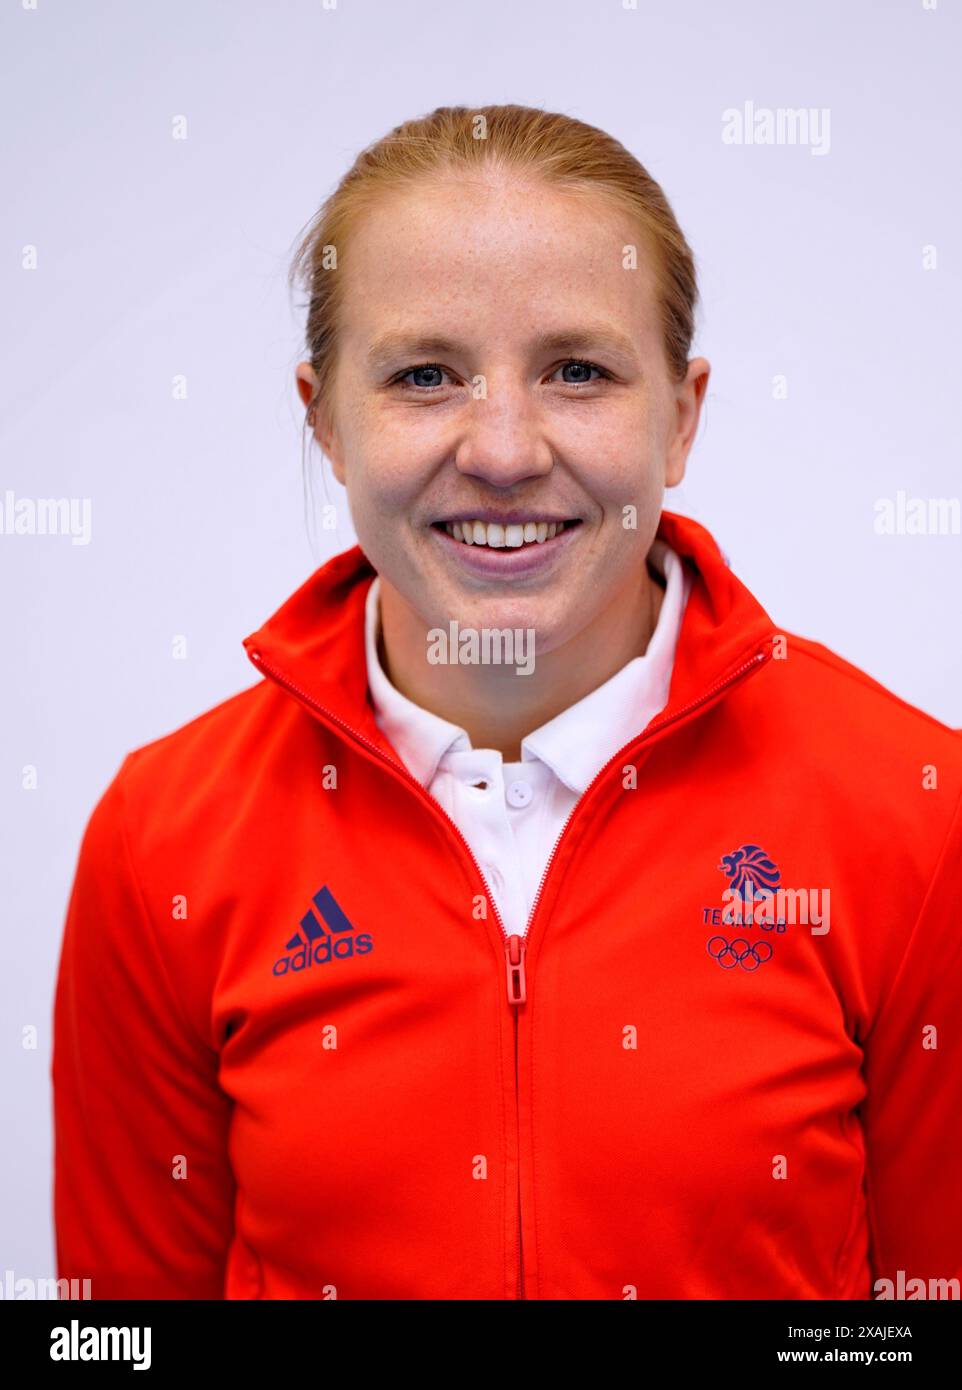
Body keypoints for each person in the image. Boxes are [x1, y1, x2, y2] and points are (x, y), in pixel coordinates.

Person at [52, 103, 962, 1301]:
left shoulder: (914, 813)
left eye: (575, 371)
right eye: (423, 375)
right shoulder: (161, 836)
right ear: (322, 418)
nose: (501, 449)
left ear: (679, 417)